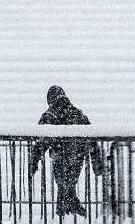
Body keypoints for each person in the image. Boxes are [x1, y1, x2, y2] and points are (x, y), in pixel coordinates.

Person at [30, 85, 99, 218]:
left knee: (63, 184)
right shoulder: (78, 113)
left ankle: (63, 211)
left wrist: (34, 161)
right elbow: (92, 138)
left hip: (59, 156)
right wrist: (97, 164)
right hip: (77, 156)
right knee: (69, 183)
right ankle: (69, 207)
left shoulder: (49, 115)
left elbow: (40, 141)